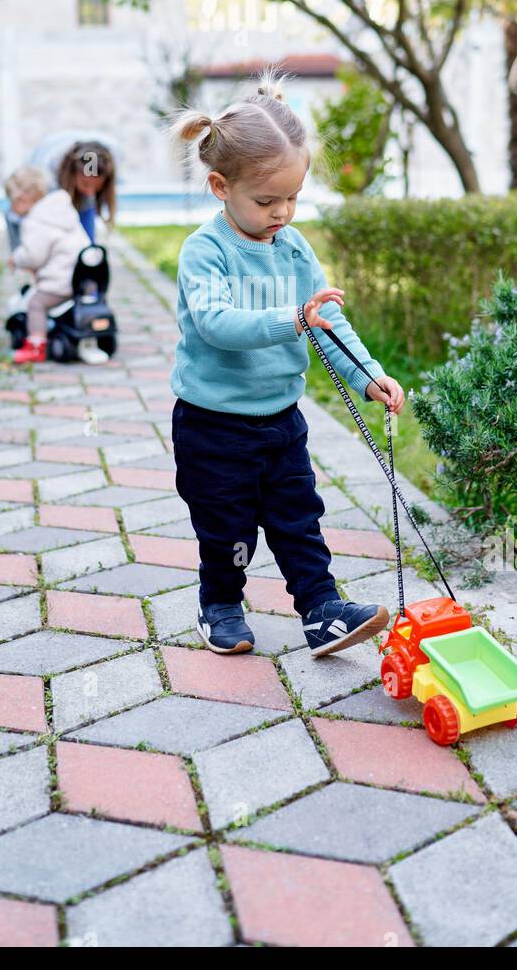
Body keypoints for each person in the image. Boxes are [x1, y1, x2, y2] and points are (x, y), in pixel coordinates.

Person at [164, 76, 406, 658]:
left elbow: (330, 322)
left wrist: (368, 375)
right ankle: (220, 604)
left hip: (281, 419)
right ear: (221, 186)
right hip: (212, 424)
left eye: (292, 198)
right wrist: (293, 318)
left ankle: (322, 610)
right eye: (267, 201)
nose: (282, 213)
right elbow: (217, 325)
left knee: (300, 518)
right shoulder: (206, 251)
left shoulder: (294, 247)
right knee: (228, 531)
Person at [4, 165, 91, 364]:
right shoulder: (61, 210)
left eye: (12, 201)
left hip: (61, 282)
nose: (11, 207)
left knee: (36, 303)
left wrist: (16, 258)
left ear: (22, 199)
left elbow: (34, 256)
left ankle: (36, 347)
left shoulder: (34, 220)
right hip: (82, 278)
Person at [5, 135, 118, 249]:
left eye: (97, 188)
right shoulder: (44, 177)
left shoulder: (95, 167)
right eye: (85, 184)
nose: (90, 192)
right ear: (73, 174)